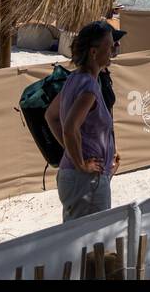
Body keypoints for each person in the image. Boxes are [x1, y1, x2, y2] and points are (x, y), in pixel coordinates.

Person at [47, 21, 119, 222]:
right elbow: (70, 128)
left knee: (76, 242)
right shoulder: (89, 87)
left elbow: (51, 116)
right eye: (110, 46)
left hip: (72, 176)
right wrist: (81, 164)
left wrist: (77, 153)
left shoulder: (74, 78)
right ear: (94, 53)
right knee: (90, 246)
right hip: (85, 181)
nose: (114, 50)